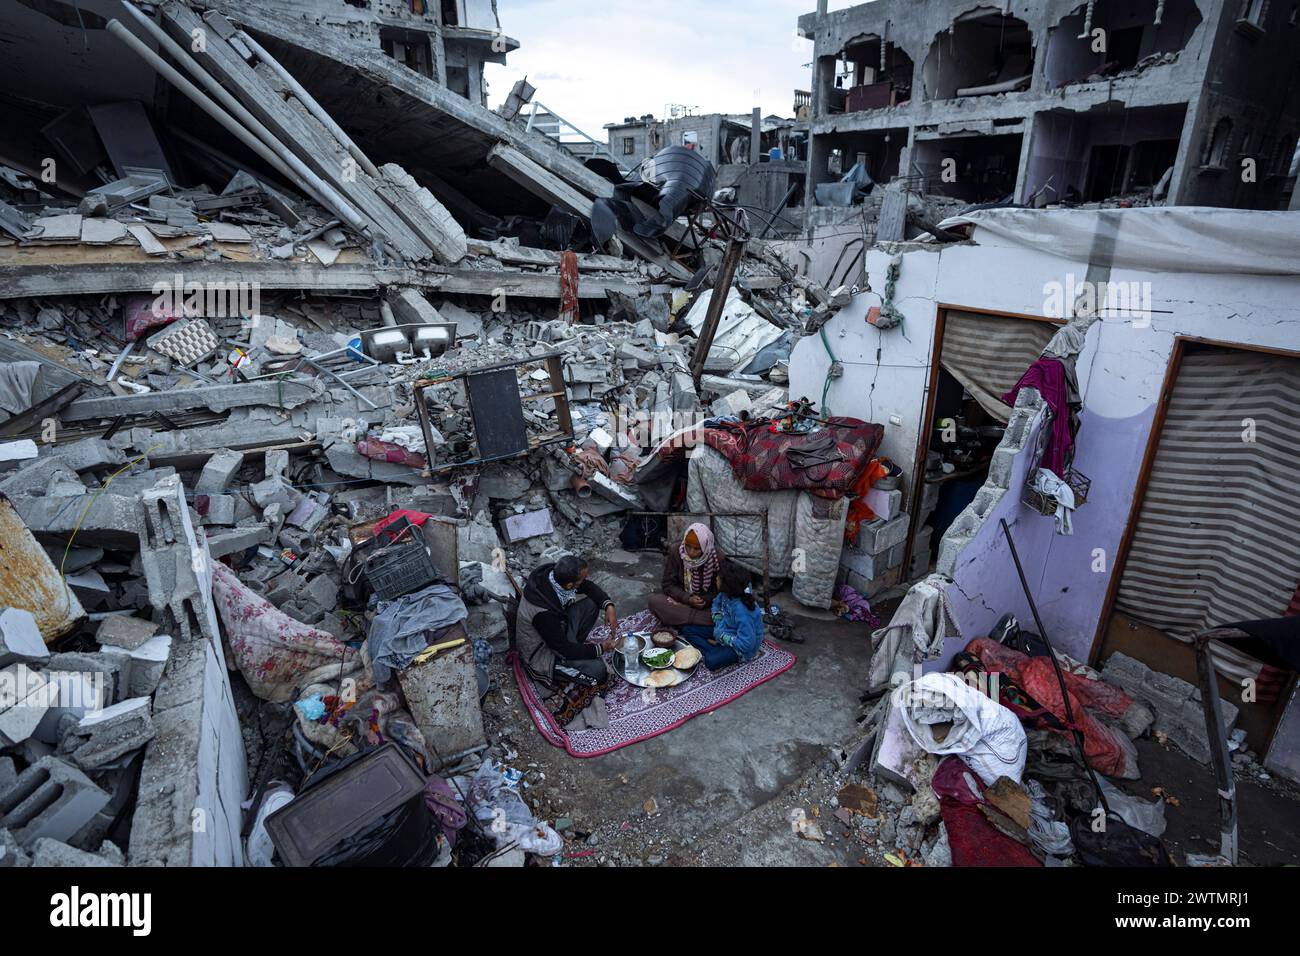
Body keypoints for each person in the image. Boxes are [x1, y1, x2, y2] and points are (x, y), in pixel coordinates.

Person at [515, 554, 618, 688]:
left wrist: (608, 605)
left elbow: (587, 586)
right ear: (570, 585)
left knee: (592, 604)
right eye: (582, 579)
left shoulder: (554, 576)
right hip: (544, 654)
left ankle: (577, 648)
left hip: (557, 630)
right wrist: (600, 648)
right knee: (599, 671)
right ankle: (569, 662)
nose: (584, 581)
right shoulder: (543, 614)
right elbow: (563, 649)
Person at [680, 563, 764, 671]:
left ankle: (715, 651)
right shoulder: (725, 594)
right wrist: (718, 620)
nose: (716, 579)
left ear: (727, 585)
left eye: (719, 578)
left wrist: (723, 637)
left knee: (710, 661)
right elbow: (716, 604)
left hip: (740, 646)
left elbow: (746, 644)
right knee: (687, 630)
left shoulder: (742, 611)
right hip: (723, 629)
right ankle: (716, 650)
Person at [647, 523, 727, 629]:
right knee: (655, 602)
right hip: (681, 602)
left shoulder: (717, 558)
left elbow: (722, 591)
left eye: (697, 549)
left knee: (727, 612)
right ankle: (699, 624)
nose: (691, 553)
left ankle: (682, 622)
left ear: (705, 547)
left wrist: (705, 600)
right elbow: (668, 585)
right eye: (688, 546)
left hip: (708, 606)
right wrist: (688, 599)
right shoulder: (676, 552)